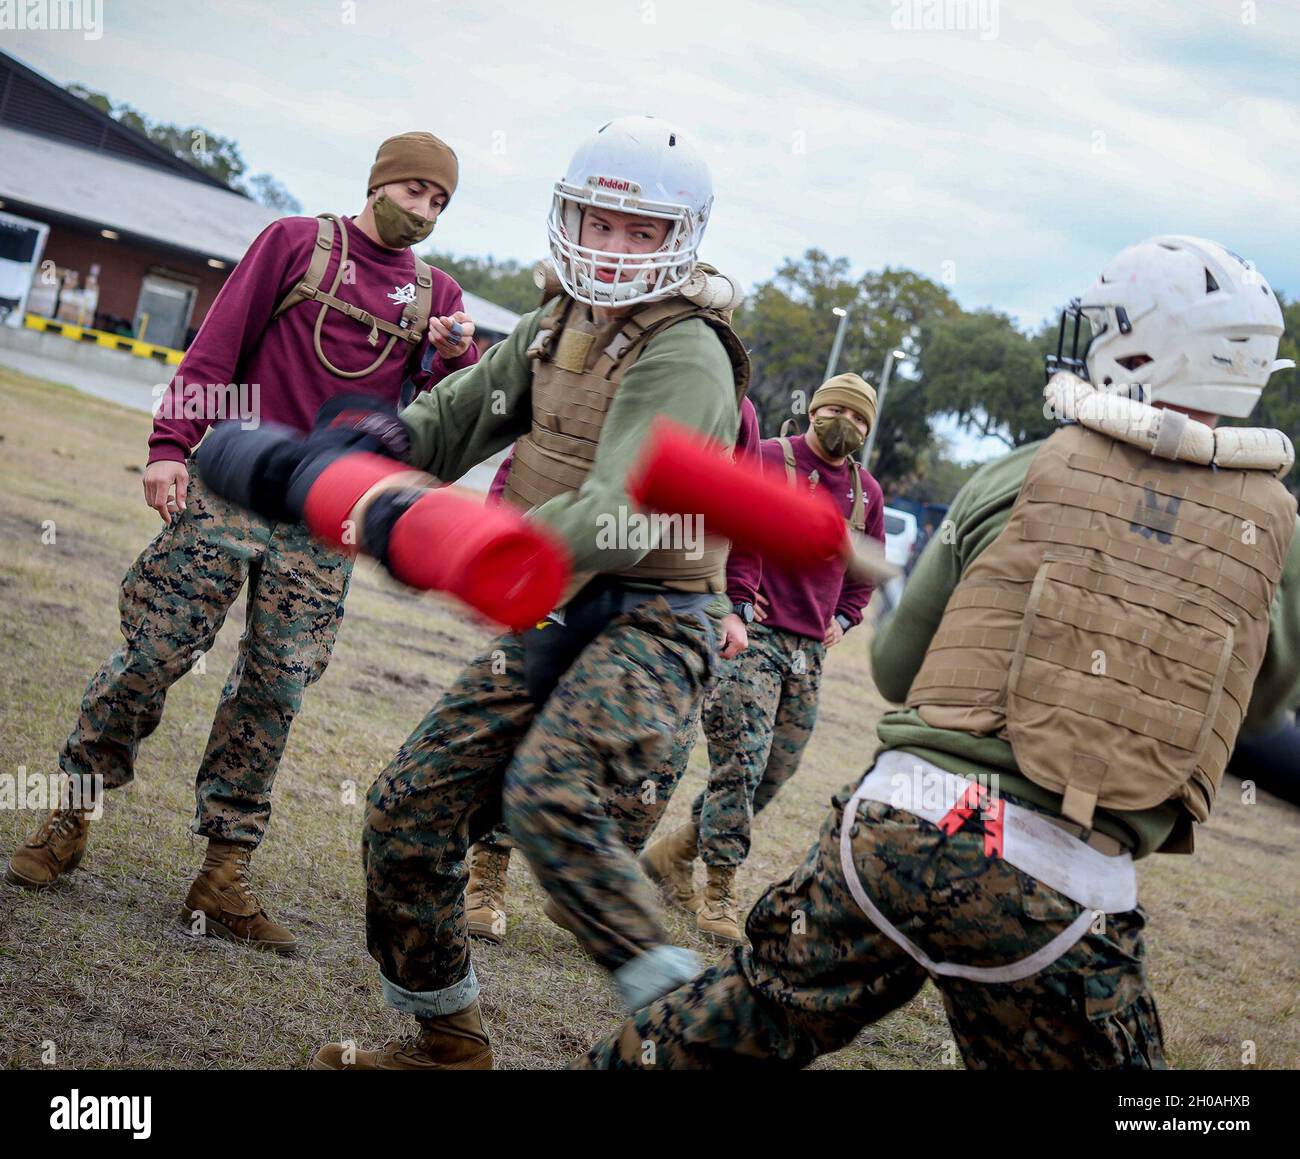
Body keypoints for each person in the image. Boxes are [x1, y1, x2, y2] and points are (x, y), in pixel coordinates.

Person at [577, 234, 1300, 1069]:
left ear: (1147, 346)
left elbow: (895, 671)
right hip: (1056, 878)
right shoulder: (1277, 532)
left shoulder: (1027, 467)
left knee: (740, 1020)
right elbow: (1262, 701)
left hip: (900, 819)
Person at [201, 115, 750, 1068]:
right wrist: (362, 453)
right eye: (597, 221)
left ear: (681, 237)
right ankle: (445, 1039)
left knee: (547, 798)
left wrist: (454, 544)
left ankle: (696, 1029)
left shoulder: (687, 351)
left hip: (653, 621)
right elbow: (457, 414)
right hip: (552, 607)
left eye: (640, 232)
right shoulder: (557, 325)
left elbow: (623, 509)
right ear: (567, 215)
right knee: (407, 810)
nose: (612, 248)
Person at [5, 132, 478, 958]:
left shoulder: (435, 296)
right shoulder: (295, 244)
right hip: (230, 481)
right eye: (414, 192)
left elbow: (429, 425)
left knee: (276, 689)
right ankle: (69, 814)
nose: (424, 211)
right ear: (378, 184)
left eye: (439, 202)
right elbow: (216, 346)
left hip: (326, 518)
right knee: (153, 653)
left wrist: (450, 357)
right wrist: (165, 447)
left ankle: (223, 874)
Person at [461, 395, 762, 944]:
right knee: (527, 722)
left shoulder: (730, 402)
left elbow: (743, 507)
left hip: (671, 601)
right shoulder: (605, 375)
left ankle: (587, 889)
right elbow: (530, 462)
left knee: (660, 755)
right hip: (570, 578)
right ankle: (487, 878)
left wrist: (738, 604)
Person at [641, 373, 885, 944]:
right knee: (741, 767)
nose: (844, 425)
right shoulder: (771, 458)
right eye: (837, 412)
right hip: (751, 638)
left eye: (858, 420)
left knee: (776, 773)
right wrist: (734, 602)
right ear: (814, 410)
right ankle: (720, 892)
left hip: (808, 654)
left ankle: (673, 854)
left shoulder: (866, 492)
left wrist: (844, 620)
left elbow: (864, 572)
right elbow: (728, 531)